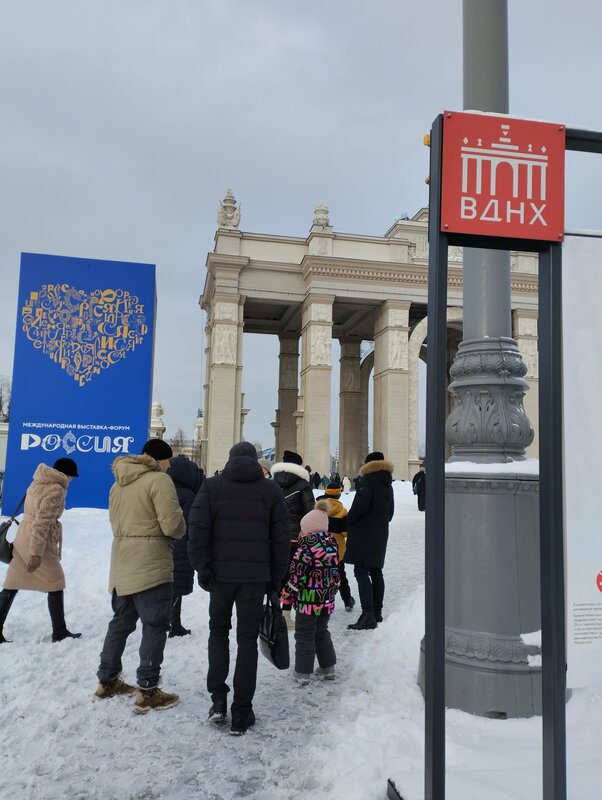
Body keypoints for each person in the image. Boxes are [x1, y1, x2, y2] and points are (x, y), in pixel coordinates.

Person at [187, 441, 290, 736]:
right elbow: (282, 539)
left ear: (230, 459)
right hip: (255, 579)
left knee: (218, 633)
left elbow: (197, 531)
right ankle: (242, 712)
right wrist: (276, 579)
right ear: (256, 461)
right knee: (247, 642)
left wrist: (203, 568)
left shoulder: (211, 487)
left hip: (220, 578)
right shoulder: (270, 490)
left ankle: (218, 701)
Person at [94, 439, 186, 714]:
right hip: (151, 564)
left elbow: (115, 522)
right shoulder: (159, 480)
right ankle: (148, 690)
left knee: (120, 623)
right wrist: (180, 526)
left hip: (122, 562)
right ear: (160, 459)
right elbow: (172, 525)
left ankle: (107, 681)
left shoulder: (118, 483)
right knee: (155, 625)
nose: (169, 466)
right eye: (168, 461)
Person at [0, 457, 80, 644]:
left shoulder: (38, 482)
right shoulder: (56, 489)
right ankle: (60, 631)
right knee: (56, 582)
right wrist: (36, 553)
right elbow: (42, 523)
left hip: (23, 536)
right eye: (71, 476)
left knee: (12, 582)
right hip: (38, 541)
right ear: (65, 474)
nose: (71, 479)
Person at [280, 502, 340, 685]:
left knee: (304, 634)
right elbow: (336, 575)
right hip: (326, 600)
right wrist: (331, 592)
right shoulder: (332, 546)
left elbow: (296, 578)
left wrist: (286, 597)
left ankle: (302, 672)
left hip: (308, 602)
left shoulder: (304, 549)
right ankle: (328, 668)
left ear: (307, 530)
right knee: (321, 632)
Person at [345, 451, 394, 631]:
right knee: (376, 571)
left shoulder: (368, 480)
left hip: (364, 533)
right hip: (380, 532)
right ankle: (376, 612)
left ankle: (367, 614)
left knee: (361, 571)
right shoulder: (387, 482)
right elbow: (390, 513)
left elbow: (360, 506)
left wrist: (349, 520)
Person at [271, 450, 316, 629]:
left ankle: (274, 611)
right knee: (293, 576)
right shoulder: (303, 485)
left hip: (274, 538)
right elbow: (311, 513)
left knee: (277, 574)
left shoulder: (272, 483)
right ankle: (286, 613)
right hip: (295, 539)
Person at [166, 454, 204, 637]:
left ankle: (167, 622)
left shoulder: (164, 490)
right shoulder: (189, 495)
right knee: (177, 587)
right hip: (181, 545)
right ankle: (174, 624)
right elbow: (191, 522)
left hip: (165, 544)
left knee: (166, 586)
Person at [316, 482, 355, 612]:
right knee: (340, 574)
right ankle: (347, 600)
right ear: (338, 495)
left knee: (321, 575)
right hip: (337, 548)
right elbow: (345, 533)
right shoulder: (342, 511)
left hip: (320, 546)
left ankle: (322, 602)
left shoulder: (318, 508)